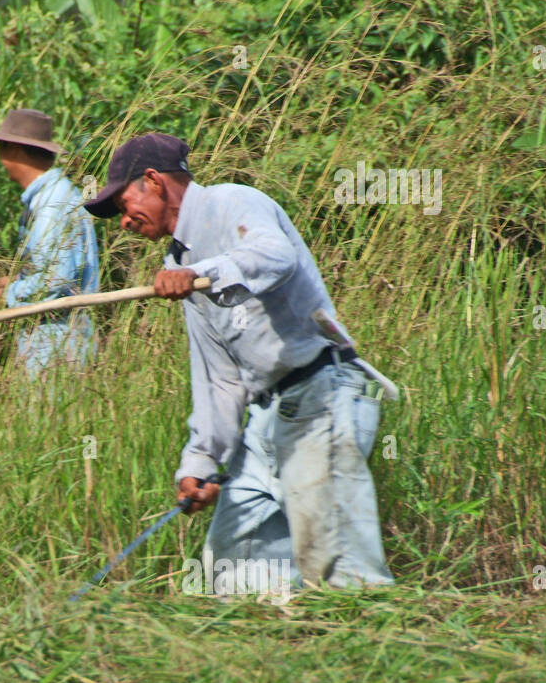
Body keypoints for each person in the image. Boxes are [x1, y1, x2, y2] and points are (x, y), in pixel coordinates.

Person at [83, 132, 393, 591]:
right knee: (233, 572)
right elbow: (220, 379)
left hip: (323, 398)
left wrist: (201, 274)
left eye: (124, 203)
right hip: (267, 421)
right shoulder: (179, 260)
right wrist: (201, 462)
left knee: (342, 572)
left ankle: (368, 630)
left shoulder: (232, 203)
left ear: (153, 180)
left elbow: (275, 256)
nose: (124, 222)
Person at [0, 109, 99, 377]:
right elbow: (51, 267)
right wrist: (11, 282)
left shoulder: (51, 205)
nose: (0, 157)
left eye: (2, 147)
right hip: (58, 341)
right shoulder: (56, 196)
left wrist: (6, 297)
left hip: (56, 346)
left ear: (15, 150)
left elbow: (56, 279)